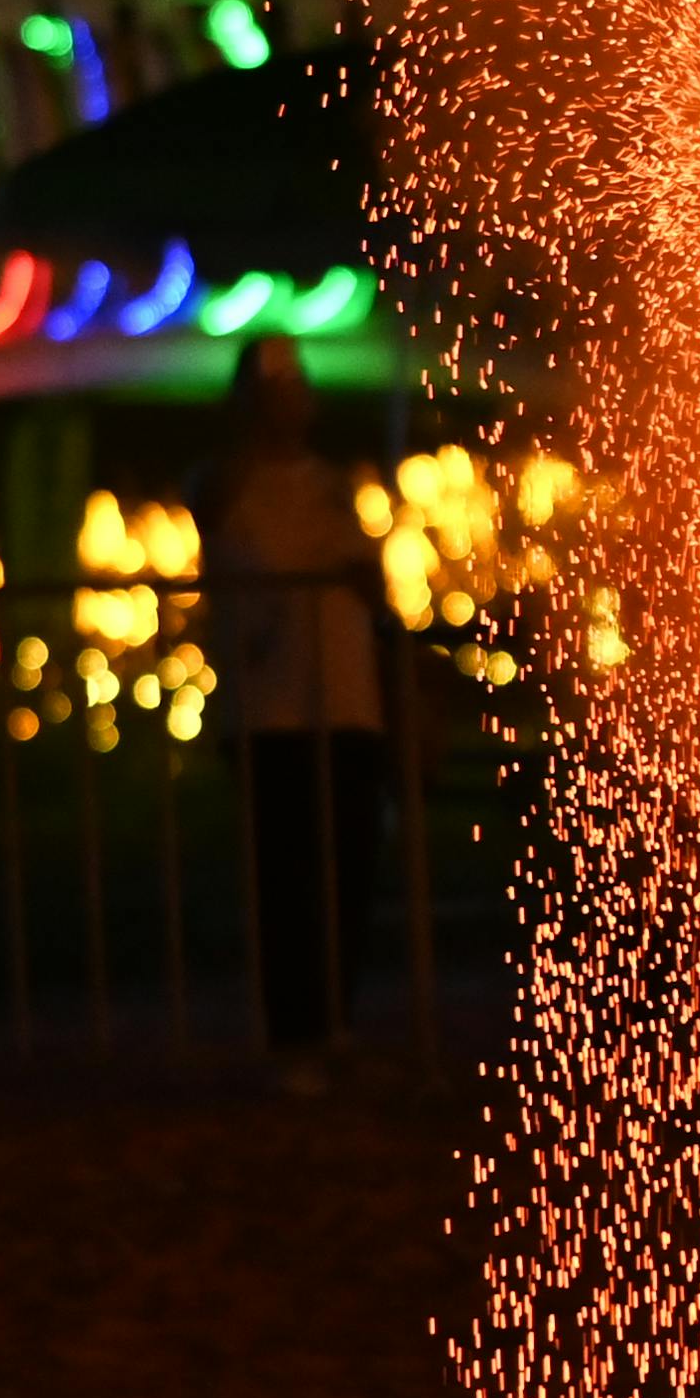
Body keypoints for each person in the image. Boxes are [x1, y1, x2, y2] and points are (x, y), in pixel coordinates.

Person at [212, 340, 396, 1082]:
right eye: (272, 390)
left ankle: (333, 1021)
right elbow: (214, 509)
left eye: (295, 388)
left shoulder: (333, 486)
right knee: (285, 878)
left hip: (344, 701)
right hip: (271, 711)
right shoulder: (225, 484)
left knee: (346, 868)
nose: (288, 403)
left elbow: (372, 585)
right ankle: (293, 1034)